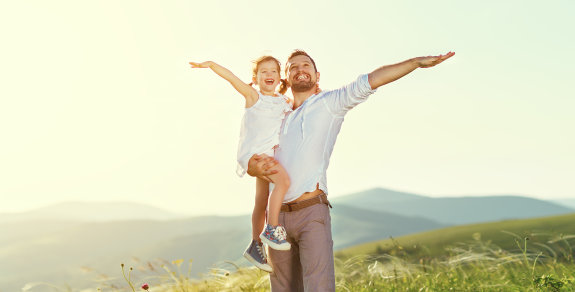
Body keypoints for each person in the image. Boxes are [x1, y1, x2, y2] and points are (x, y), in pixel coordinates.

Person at [247, 49, 455, 292]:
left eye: (306, 65)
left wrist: (416, 63)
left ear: (317, 75)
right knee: (282, 289)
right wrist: (252, 167)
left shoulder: (330, 103)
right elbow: (254, 153)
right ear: (286, 78)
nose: (300, 70)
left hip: (311, 213)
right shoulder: (275, 113)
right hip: (277, 219)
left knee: (319, 287)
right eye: (293, 67)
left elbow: (373, 79)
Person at [189, 56, 294, 273]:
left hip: (269, 154)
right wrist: (212, 65)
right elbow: (232, 79)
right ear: (255, 78)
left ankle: (255, 245)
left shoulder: (284, 102)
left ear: (279, 77)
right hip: (256, 156)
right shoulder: (253, 96)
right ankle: (272, 229)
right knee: (283, 181)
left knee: (261, 199)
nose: (269, 75)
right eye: (263, 71)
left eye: (273, 71)